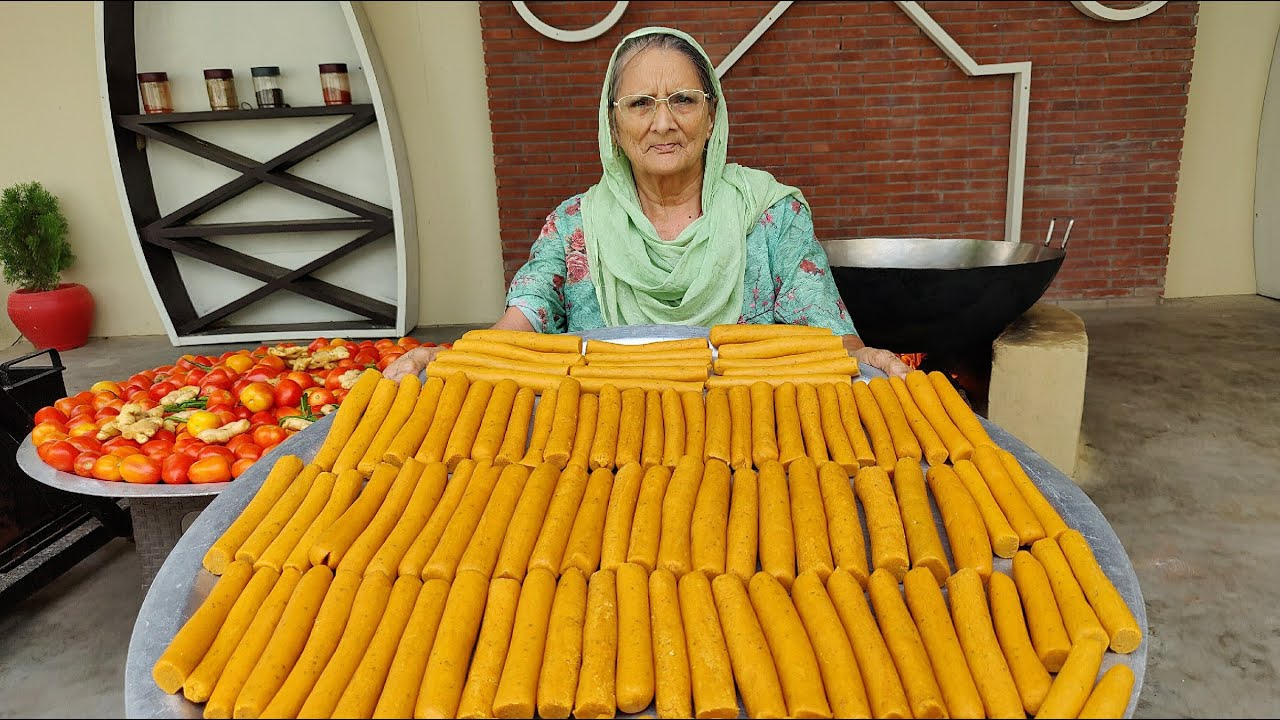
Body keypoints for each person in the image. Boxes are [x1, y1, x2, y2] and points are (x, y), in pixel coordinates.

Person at [385, 26, 909, 382]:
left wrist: (866, 356)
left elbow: (831, 341)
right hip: (604, 438)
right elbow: (517, 330)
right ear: (613, 125)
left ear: (712, 117)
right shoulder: (574, 226)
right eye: (639, 104)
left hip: (752, 438)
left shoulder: (771, 216)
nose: (663, 124)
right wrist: (448, 359)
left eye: (683, 100)